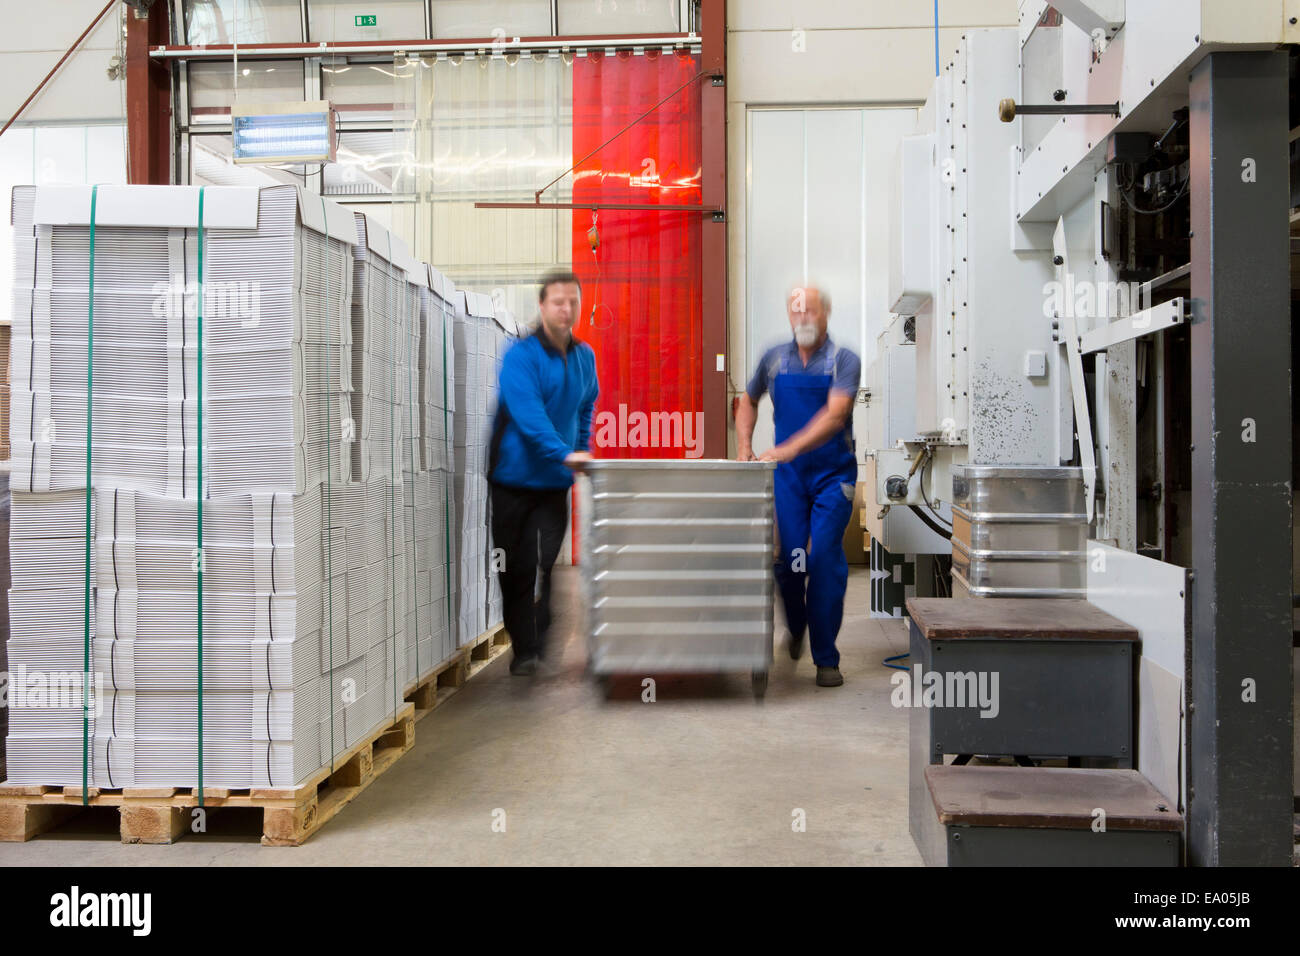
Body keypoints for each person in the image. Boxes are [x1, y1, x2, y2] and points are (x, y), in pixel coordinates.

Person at [735, 285, 860, 687]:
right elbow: (747, 399)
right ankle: (797, 624)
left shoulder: (843, 361)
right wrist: (743, 447)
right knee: (790, 562)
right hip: (788, 479)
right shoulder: (774, 359)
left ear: (826, 313)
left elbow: (835, 415)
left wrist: (786, 448)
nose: (803, 317)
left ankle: (826, 659)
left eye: (810, 310)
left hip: (832, 477)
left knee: (822, 559)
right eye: (796, 311)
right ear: (789, 316)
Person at [489, 271, 599, 676]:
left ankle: (542, 632)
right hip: (512, 480)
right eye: (558, 302)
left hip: (553, 484)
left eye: (573, 301)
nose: (566, 309)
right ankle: (525, 651)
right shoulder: (520, 356)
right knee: (514, 567)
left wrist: (582, 445)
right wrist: (565, 453)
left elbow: (588, 402)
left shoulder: (585, 357)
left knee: (545, 563)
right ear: (542, 306)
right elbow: (529, 416)